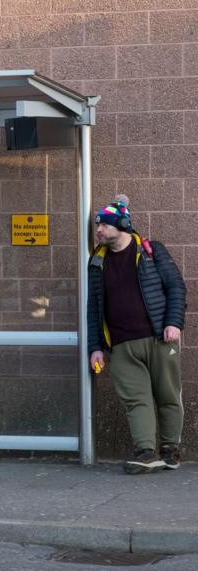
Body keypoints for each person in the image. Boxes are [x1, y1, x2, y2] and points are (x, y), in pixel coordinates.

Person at [88, 196, 186, 474]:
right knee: (135, 399)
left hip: (159, 338)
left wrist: (173, 323)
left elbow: (176, 287)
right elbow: (93, 307)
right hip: (121, 346)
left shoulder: (151, 251)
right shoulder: (97, 261)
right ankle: (146, 452)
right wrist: (95, 346)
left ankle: (170, 450)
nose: (98, 231)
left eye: (103, 225)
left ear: (121, 225)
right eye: (97, 226)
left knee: (167, 394)